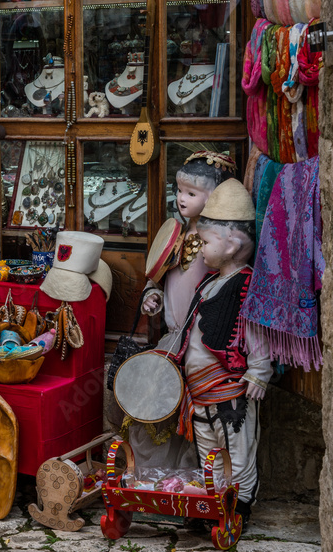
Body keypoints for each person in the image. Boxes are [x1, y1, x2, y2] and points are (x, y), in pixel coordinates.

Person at [173, 179, 271, 524]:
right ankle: (211, 504)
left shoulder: (246, 284)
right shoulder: (208, 283)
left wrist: (259, 370)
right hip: (199, 395)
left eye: (205, 241)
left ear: (231, 246)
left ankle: (239, 506)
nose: (199, 248)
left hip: (231, 394)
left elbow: (255, 331)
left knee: (237, 453)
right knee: (209, 453)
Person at [137, 151, 237, 469]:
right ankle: (158, 479)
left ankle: (195, 484)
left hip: (201, 347)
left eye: (191, 193)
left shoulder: (220, 245)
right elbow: (159, 276)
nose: (181, 199)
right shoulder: (176, 235)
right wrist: (152, 295)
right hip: (171, 340)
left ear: (215, 197)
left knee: (199, 421)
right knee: (159, 409)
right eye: (179, 191)